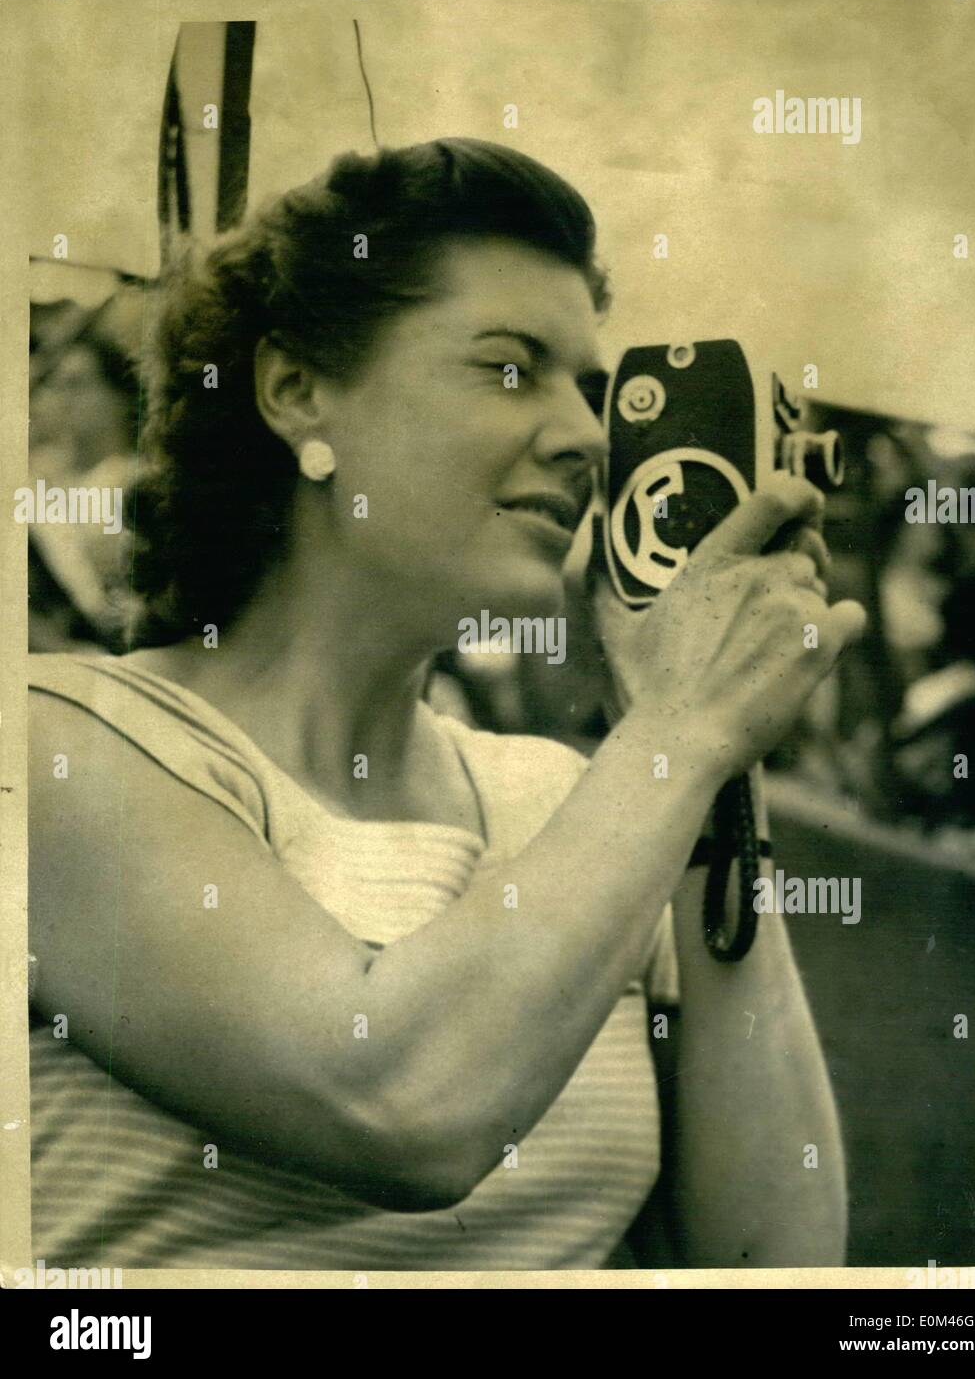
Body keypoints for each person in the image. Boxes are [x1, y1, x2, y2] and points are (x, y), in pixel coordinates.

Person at [28, 138, 865, 1270]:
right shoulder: (60, 745)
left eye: (590, 388)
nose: (581, 436)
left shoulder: (585, 800)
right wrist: (682, 731)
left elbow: (778, 1256)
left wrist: (715, 750)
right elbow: (398, 1105)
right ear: (295, 392)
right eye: (511, 368)